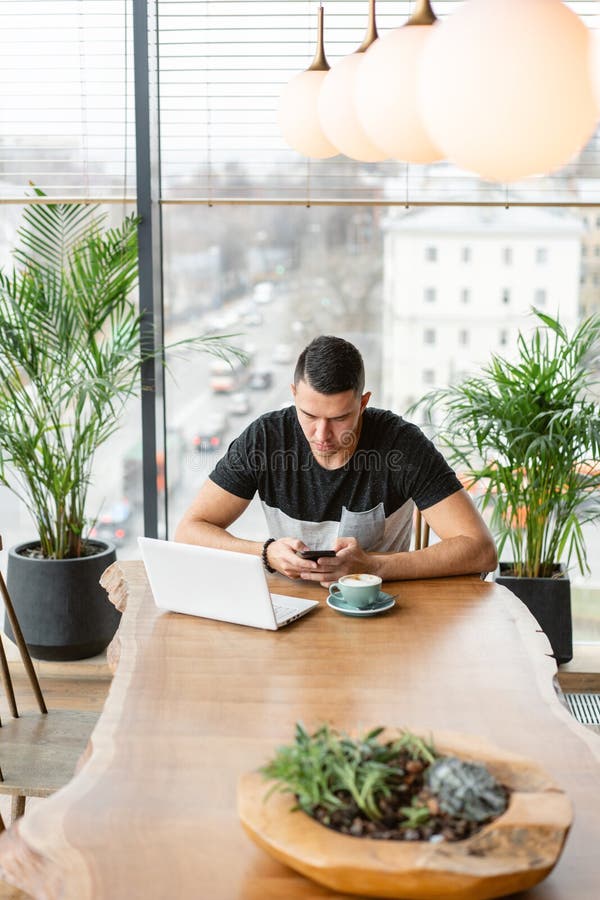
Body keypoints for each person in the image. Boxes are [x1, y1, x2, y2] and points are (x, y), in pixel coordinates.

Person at [175, 335, 497, 586]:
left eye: (340, 417)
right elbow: (189, 531)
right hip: (288, 603)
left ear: (363, 403)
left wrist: (373, 566)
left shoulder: (401, 444)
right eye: (309, 415)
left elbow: (480, 549)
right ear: (294, 395)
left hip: (380, 607)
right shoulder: (265, 439)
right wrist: (266, 553)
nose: (322, 434)